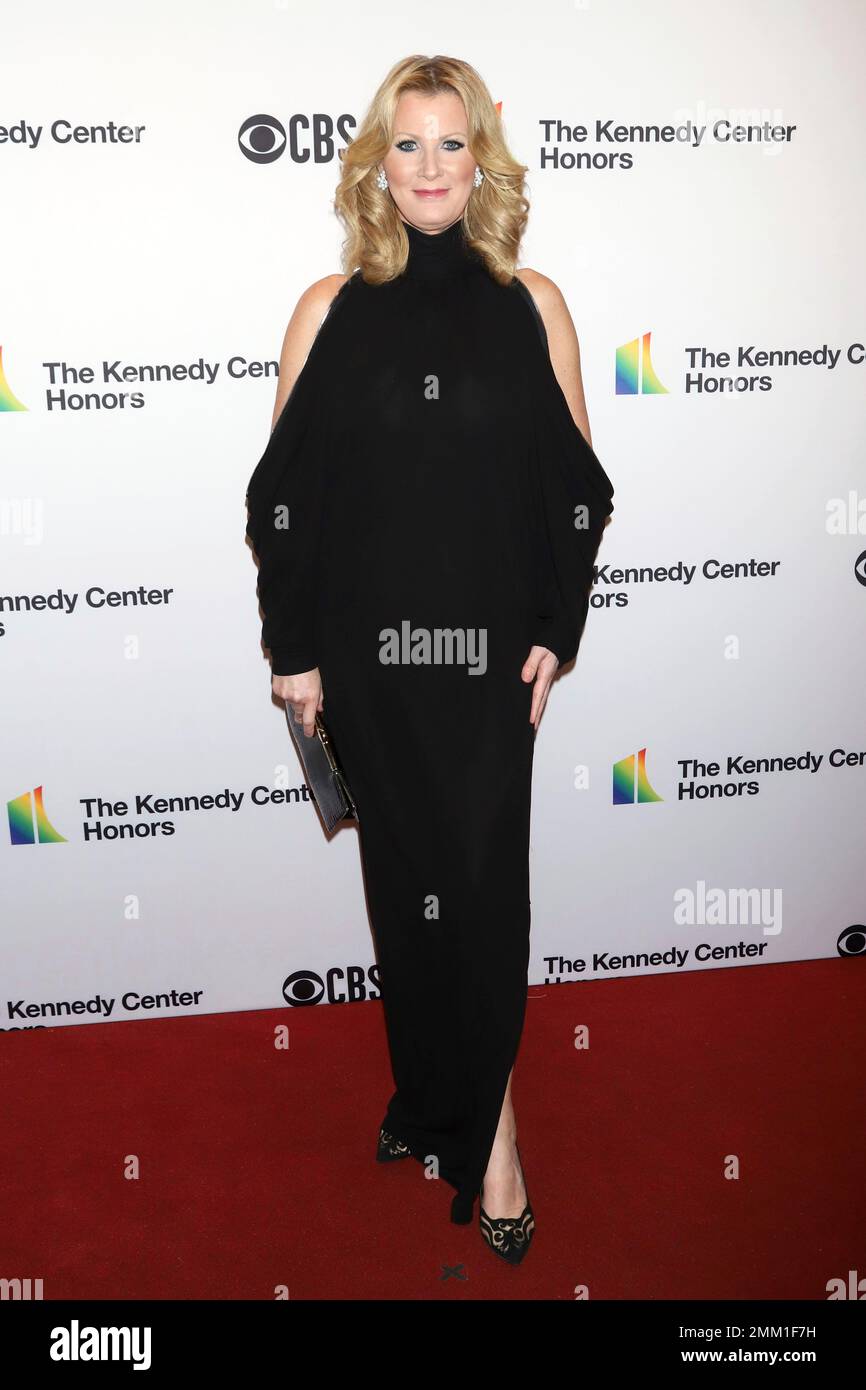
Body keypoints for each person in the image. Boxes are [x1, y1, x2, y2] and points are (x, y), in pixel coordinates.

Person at [245, 53, 614, 1267]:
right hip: (367, 657)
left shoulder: (532, 304)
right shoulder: (328, 307)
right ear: (374, 164)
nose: (429, 167)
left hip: (484, 665)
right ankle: (424, 1102)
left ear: (483, 158)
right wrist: (294, 653)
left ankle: (490, 1138)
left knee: (481, 895)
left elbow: (574, 490)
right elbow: (281, 499)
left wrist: (557, 625)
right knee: (405, 894)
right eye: (406, 145)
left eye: (451, 143)